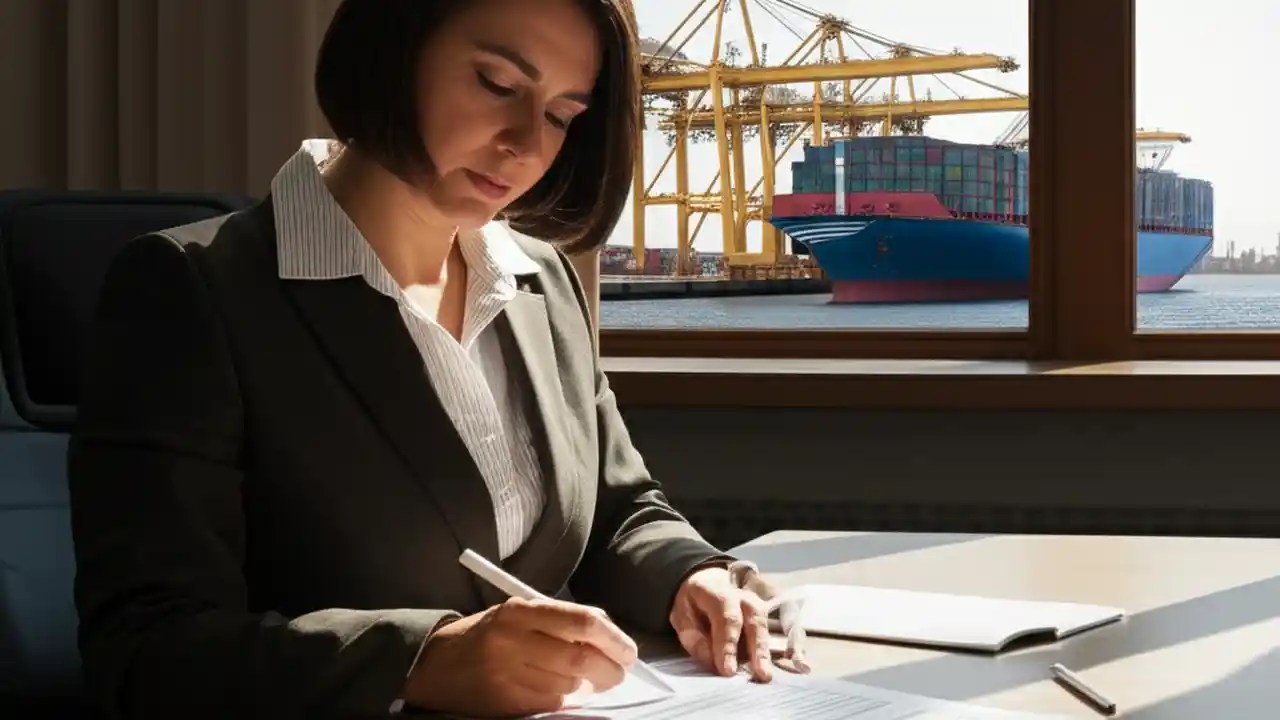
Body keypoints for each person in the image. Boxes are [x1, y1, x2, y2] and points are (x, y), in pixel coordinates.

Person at [66, 1, 786, 718]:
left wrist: (692, 576)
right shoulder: (191, 290)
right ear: (391, 51)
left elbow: (618, 511)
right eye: (498, 85)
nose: (527, 144)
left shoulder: (544, 280)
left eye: (563, 114)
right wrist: (423, 660)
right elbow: (147, 650)